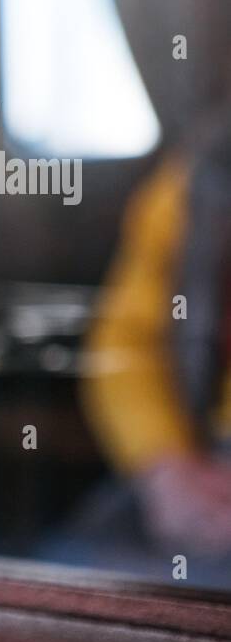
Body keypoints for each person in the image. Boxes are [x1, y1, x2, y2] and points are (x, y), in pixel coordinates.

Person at [82, 128, 231, 557]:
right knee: (70, 566)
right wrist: (166, 468)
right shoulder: (192, 183)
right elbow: (125, 343)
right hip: (198, 457)